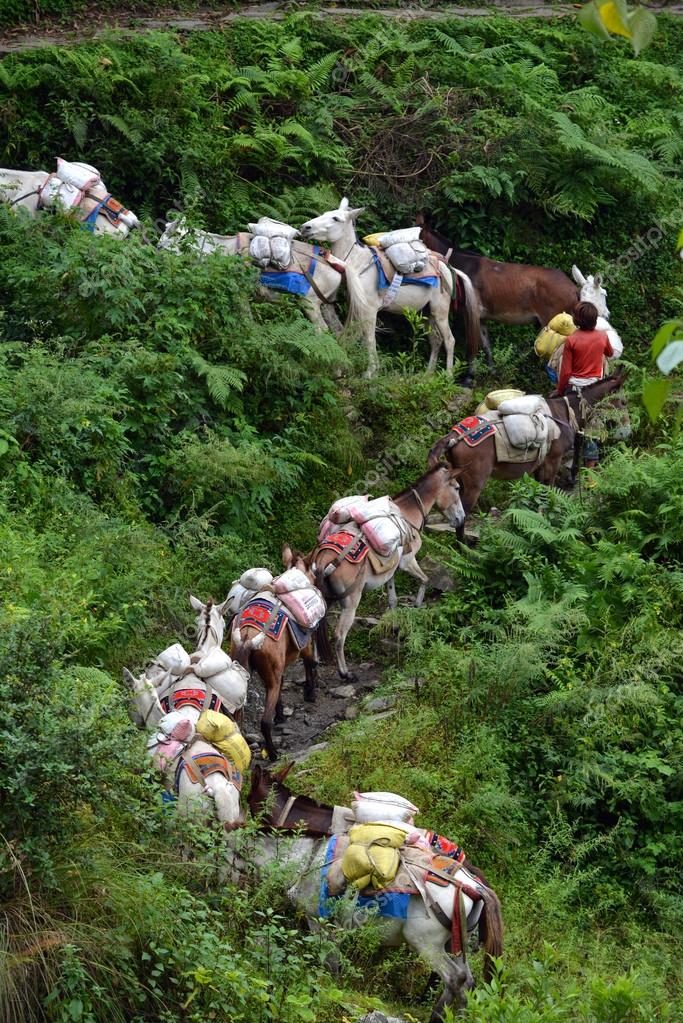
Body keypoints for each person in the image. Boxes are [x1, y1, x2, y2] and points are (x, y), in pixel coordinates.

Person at [555, 301, 614, 469]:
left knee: (570, 429)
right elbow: (609, 353)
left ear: (577, 320)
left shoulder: (571, 340)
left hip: (574, 391)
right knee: (592, 431)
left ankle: (568, 466)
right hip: (595, 391)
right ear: (595, 319)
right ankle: (590, 476)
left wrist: (559, 392)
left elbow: (565, 373)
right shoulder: (602, 336)